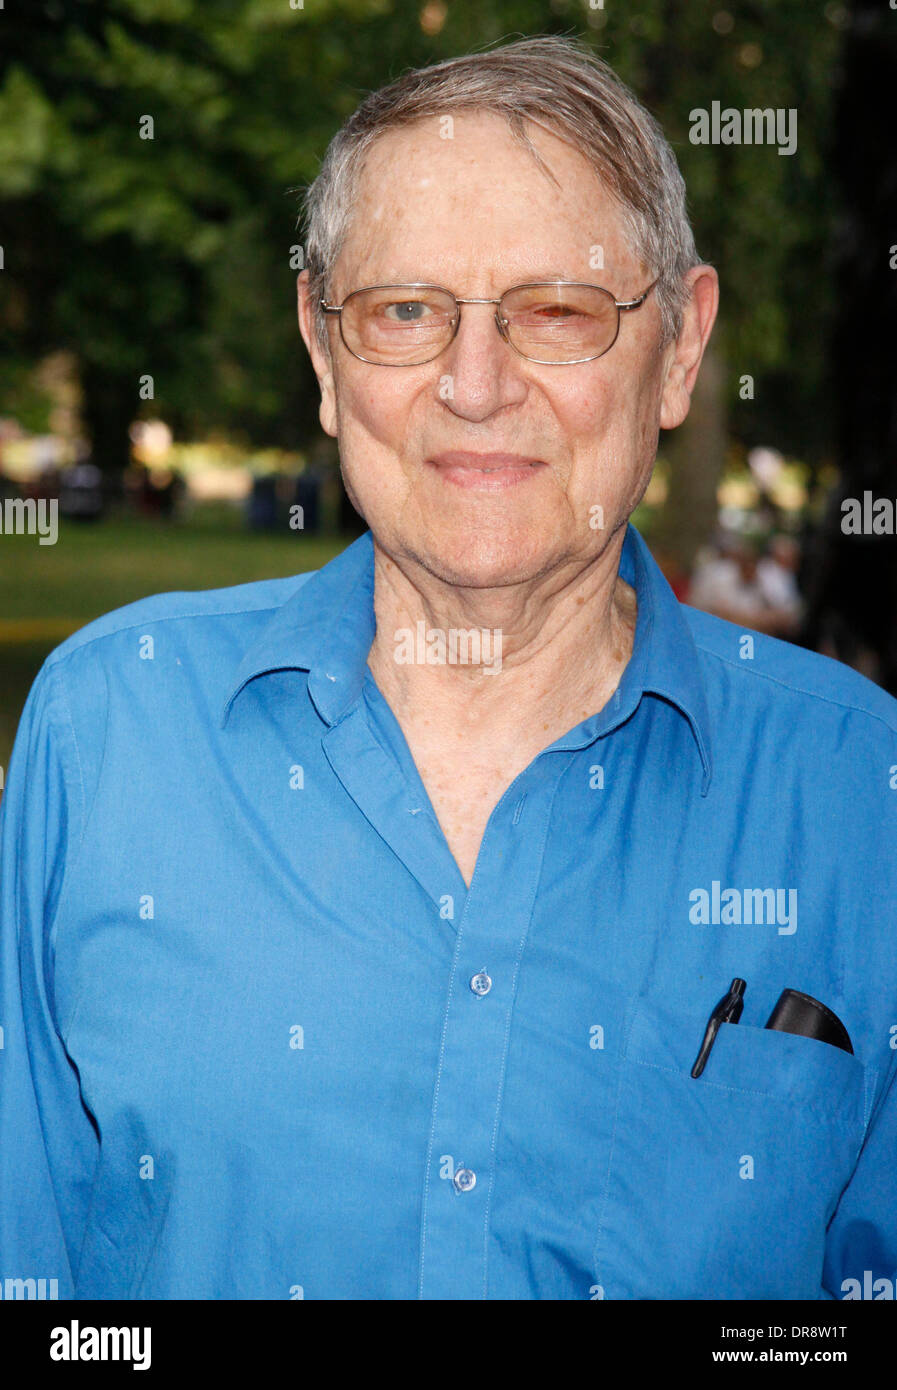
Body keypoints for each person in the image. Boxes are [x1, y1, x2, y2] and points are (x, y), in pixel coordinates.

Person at [1, 36, 894, 1302]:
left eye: (560, 311)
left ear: (682, 349)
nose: (477, 386)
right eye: (408, 311)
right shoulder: (108, 735)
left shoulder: (863, 794)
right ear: (323, 350)